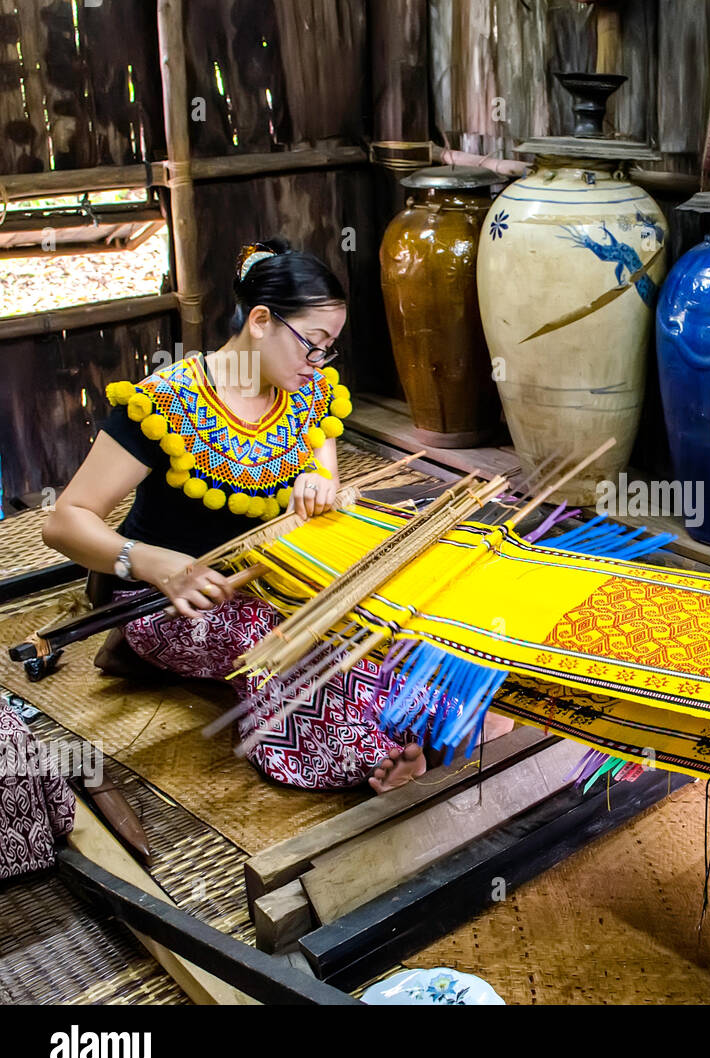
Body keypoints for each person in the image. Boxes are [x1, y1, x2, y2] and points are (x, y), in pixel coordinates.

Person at [42, 239, 426, 793]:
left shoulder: (310, 393)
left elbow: (329, 498)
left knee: (379, 610)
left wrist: (324, 491)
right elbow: (65, 520)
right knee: (275, 635)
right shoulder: (166, 401)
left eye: (328, 349)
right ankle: (360, 752)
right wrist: (154, 563)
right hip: (174, 601)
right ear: (262, 320)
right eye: (311, 344)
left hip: (276, 582)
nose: (318, 361)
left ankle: (405, 724)